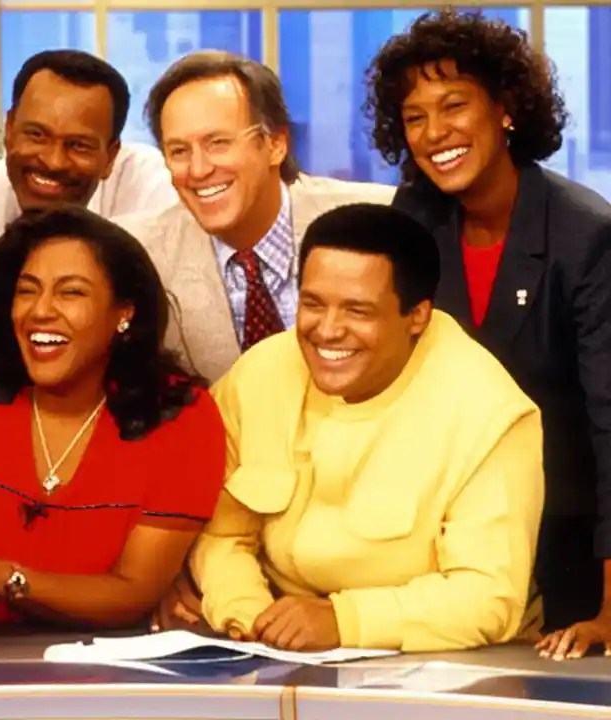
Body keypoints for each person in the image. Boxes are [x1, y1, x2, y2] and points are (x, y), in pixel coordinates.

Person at [365, 9, 611, 660]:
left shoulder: (585, 235)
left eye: (454, 106)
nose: (434, 132)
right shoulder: (414, 216)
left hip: (568, 544)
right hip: (444, 543)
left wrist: (610, 610)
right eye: (414, 117)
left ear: (506, 109)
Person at [191, 203, 544, 653]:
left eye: (358, 311)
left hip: (446, 666)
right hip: (269, 654)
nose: (327, 331)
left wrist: (345, 621)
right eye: (313, 304)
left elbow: (488, 596)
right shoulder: (260, 373)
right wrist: (251, 615)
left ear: (417, 316)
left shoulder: (490, 412)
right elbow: (219, 535)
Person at [0, 206, 226, 651]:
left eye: (71, 293)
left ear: (123, 313)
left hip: (106, 670)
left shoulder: (182, 417)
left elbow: (133, 593)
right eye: (27, 291)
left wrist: (1, 576)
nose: (41, 311)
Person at [118, 51, 394, 384]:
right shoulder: (136, 253)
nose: (199, 169)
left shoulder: (380, 221)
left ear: (276, 144)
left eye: (218, 143)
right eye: (179, 151)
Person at [0, 50, 176, 284]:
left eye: (78, 146)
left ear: (111, 156)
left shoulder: (150, 188)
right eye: (36, 135)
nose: (53, 162)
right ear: (9, 130)